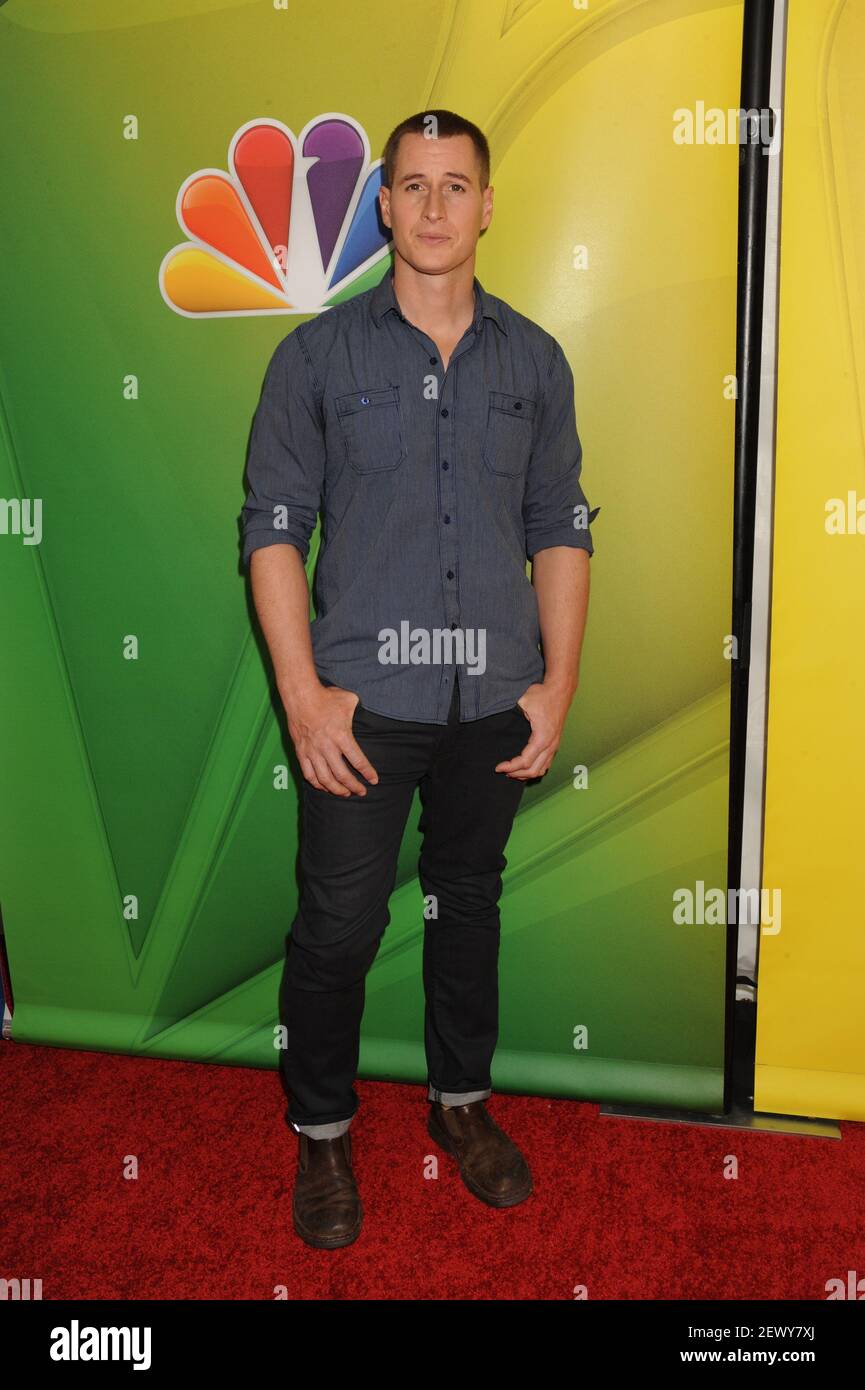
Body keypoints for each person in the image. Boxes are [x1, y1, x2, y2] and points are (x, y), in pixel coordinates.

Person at [240, 109, 597, 1249]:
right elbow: (273, 529)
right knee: (336, 931)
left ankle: (462, 1106)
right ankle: (325, 1128)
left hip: (492, 698)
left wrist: (557, 683)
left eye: (457, 185)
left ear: (488, 206)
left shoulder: (535, 361)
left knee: (467, 910)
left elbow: (560, 526)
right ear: (383, 207)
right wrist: (301, 693)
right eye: (413, 186)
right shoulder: (314, 359)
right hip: (361, 703)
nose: (435, 206)